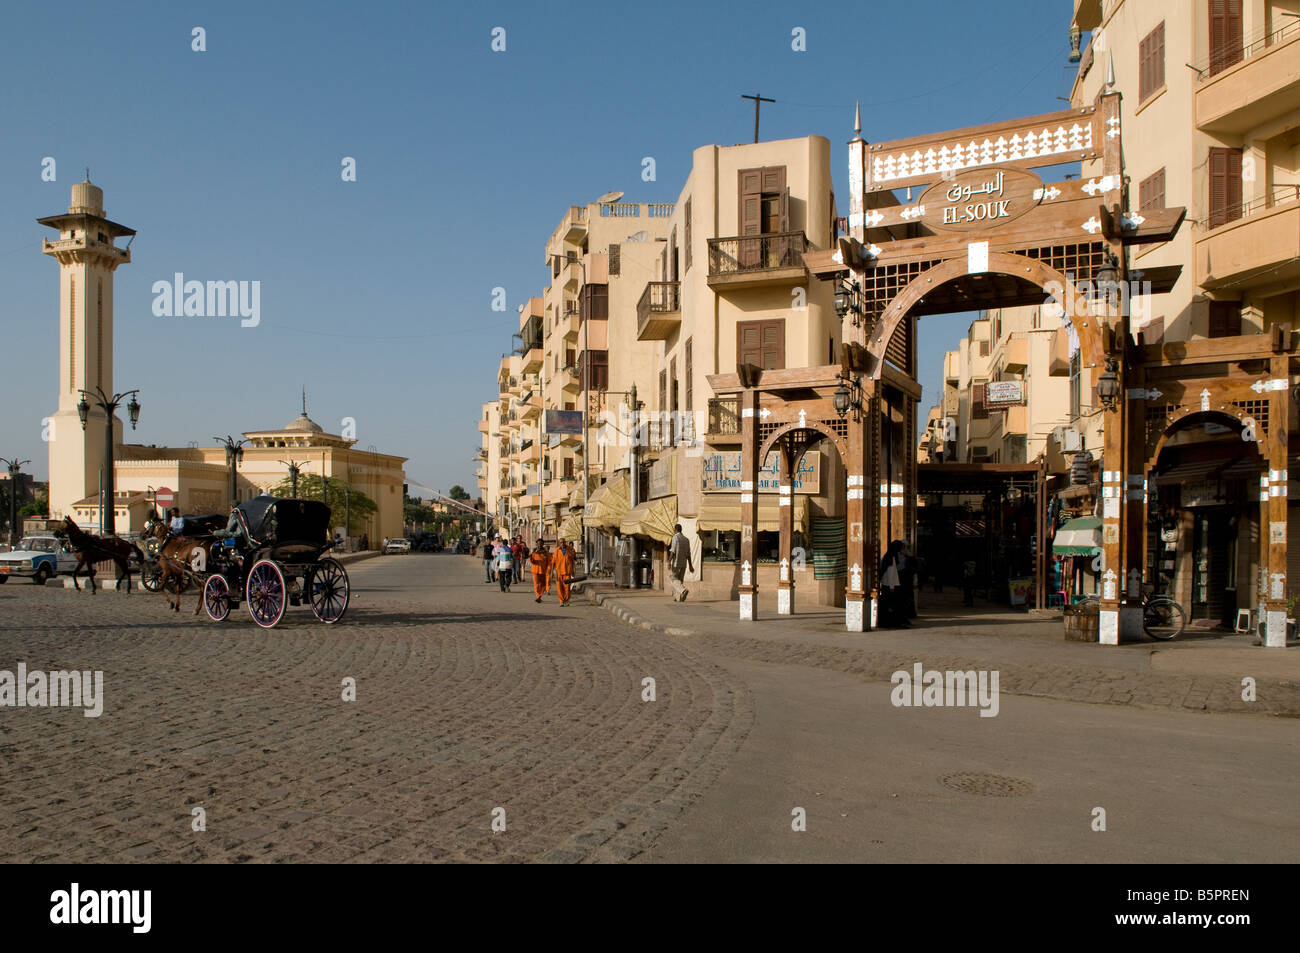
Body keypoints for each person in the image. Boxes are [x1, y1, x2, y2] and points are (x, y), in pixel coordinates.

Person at [879, 539, 909, 628]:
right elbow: (890, 573)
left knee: (889, 604)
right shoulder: (891, 557)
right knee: (892, 605)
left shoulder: (889, 556)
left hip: (888, 584)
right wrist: (892, 586)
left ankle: (890, 622)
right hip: (890, 586)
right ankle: (892, 623)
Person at [668, 524, 694, 602]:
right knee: (680, 580)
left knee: (673, 578)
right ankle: (678, 597)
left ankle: (683, 590)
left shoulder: (675, 538)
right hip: (684, 563)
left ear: (675, 529)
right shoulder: (686, 540)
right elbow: (688, 554)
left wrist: (669, 561)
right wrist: (690, 565)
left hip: (676, 562)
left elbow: (673, 551)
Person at [552, 540, 574, 606]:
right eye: (561, 542)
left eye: (563, 542)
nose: (562, 544)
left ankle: (566, 599)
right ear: (559, 543)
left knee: (567, 588)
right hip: (559, 572)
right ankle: (561, 601)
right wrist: (552, 572)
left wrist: (573, 571)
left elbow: (572, 561)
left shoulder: (569, 549)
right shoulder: (557, 550)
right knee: (559, 588)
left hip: (567, 572)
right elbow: (553, 561)